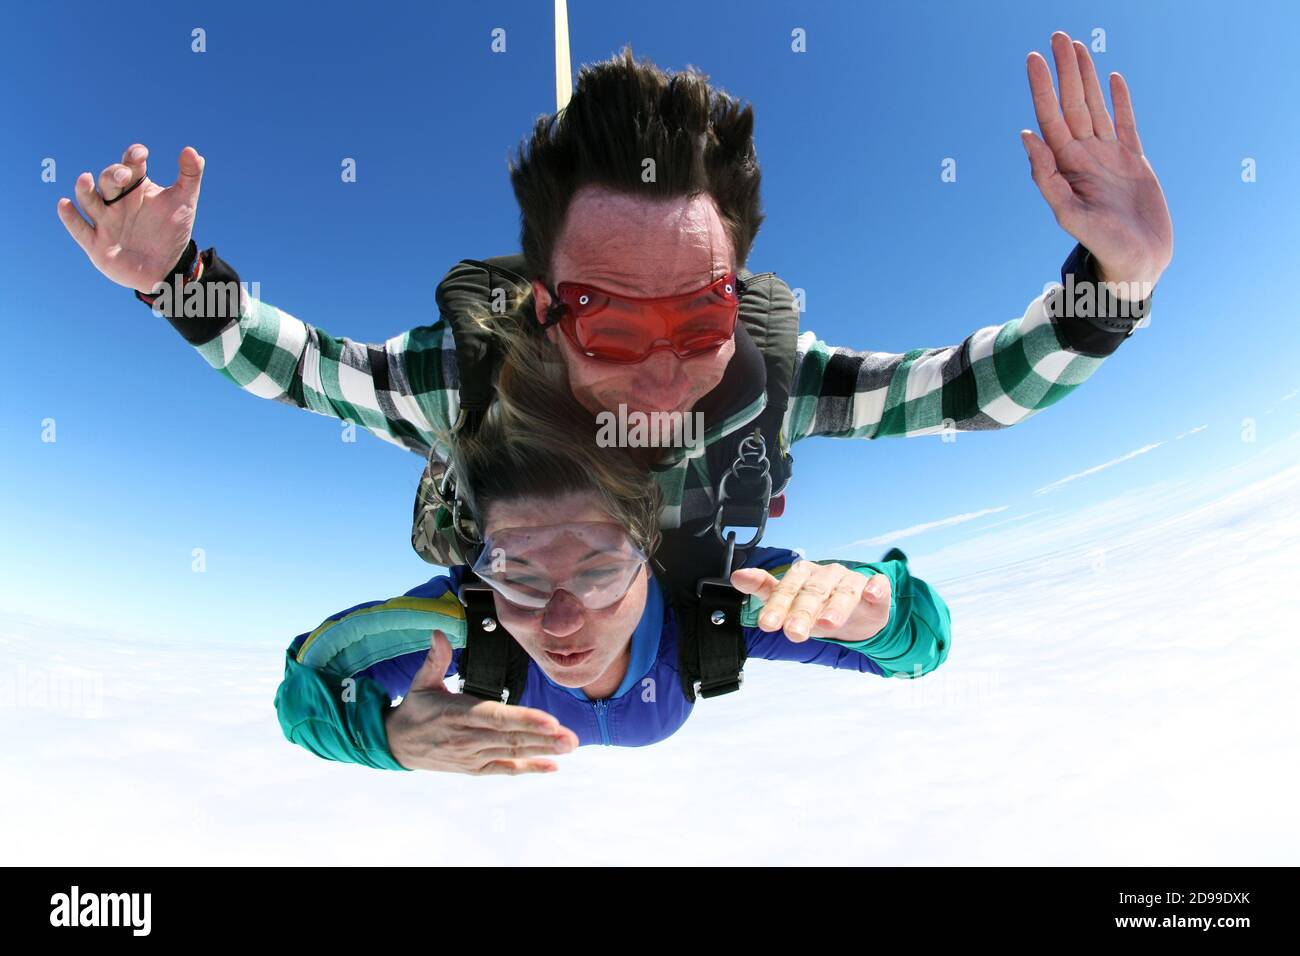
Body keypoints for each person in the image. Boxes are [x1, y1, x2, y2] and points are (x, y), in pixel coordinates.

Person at [55, 33, 1171, 584]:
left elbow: (956, 391)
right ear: (544, 310)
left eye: (696, 320)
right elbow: (303, 367)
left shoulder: (764, 377)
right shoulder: (469, 378)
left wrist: (1111, 283)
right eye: (613, 323)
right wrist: (174, 278)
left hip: (672, 575)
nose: (663, 370)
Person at [276, 327, 951, 773]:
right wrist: (386, 739)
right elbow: (307, 685)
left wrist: (873, 611)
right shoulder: (467, 622)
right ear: (482, 571)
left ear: (650, 554)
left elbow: (920, 651)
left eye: (599, 571)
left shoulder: (722, 600)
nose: (560, 621)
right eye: (518, 572)